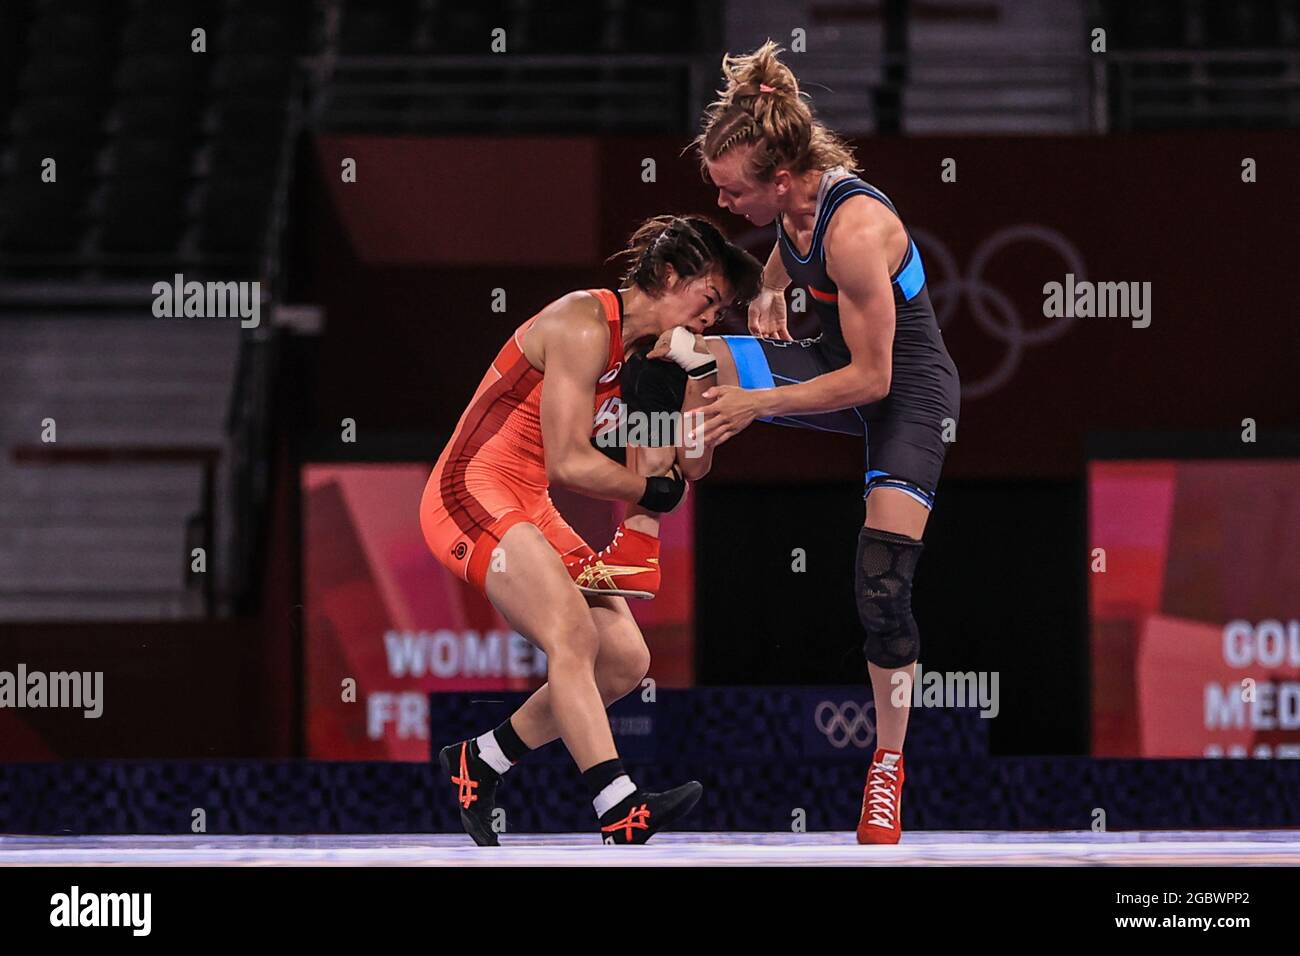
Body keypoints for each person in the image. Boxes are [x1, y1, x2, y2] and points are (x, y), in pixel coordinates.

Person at [570, 42, 961, 845]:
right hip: (833, 363)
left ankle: (887, 767)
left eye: (730, 190)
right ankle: (646, 526)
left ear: (780, 178)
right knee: (675, 352)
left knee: (881, 589)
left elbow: (876, 381)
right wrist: (776, 282)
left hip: (907, 394)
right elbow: (785, 249)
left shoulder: (856, 230)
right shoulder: (792, 208)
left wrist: (758, 405)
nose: (722, 202)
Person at [420, 214, 761, 844]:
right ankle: (618, 807)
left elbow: (691, 465)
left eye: (722, 309)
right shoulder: (582, 322)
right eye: (708, 299)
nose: (713, 319)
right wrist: (650, 489)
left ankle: (480, 762)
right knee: (571, 635)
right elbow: (570, 460)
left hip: (529, 503)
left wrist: (699, 379)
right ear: (666, 276)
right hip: (468, 490)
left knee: (627, 659)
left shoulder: (652, 360)